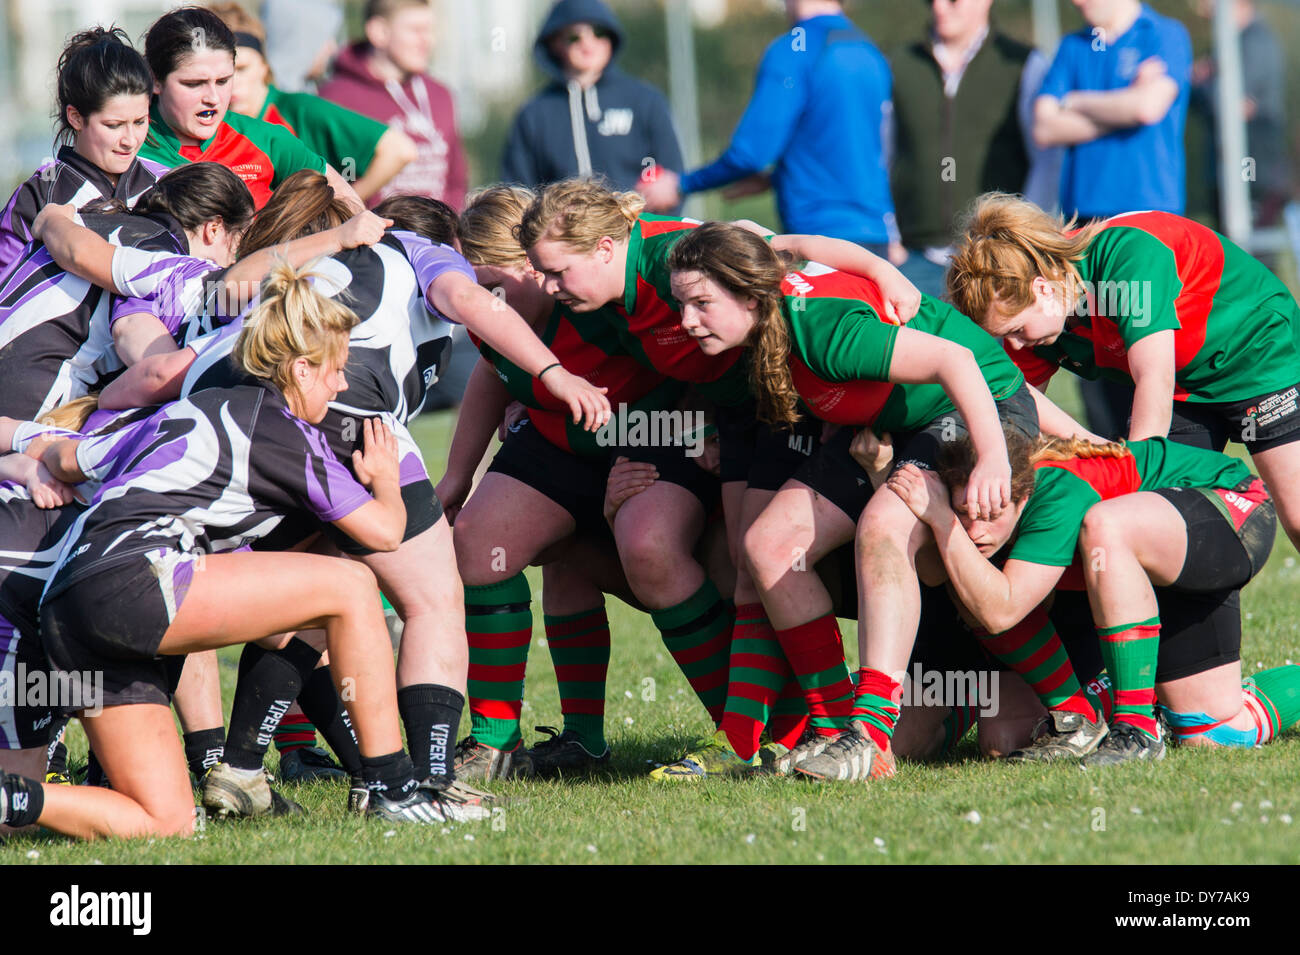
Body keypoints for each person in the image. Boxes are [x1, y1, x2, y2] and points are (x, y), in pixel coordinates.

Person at [0, 262, 475, 838]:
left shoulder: (186, 408)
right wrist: (385, 481)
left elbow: (67, 458)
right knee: (350, 586)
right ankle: (392, 787)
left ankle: (13, 800)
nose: (343, 385)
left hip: (69, 609)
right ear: (300, 368)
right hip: (132, 583)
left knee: (166, 823)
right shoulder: (282, 430)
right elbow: (383, 535)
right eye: (336, 370)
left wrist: (36, 464)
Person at [649, 221, 1030, 780]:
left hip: (975, 410)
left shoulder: (820, 328)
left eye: (702, 303)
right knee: (768, 545)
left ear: (750, 294)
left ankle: (870, 736)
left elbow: (957, 363)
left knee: (882, 524)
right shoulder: (765, 286)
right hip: (898, 423)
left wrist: (994, 457)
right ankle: (830, 731)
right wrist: (878, 271)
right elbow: (783, 238)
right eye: (682, 304)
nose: (686, 321)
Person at [440, 185, 680, 778]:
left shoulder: (602, 297)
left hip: (654, 447)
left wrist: (665, 442)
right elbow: (495, 372)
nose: (481, 300)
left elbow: (692, 368)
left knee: (663, 559)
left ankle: (749, 731)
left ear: (535, 260)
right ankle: (498, 742)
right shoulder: (493, 307)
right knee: (479, 542)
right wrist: (457, 475)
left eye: (493, 284)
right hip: (559, 445)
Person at [888, 428, 1300, 766]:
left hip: (1227, 505)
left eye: (991, 514)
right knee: (1006, 739)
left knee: (1214, 733)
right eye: (965, 514)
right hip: (1116, 581)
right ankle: (1083, 714)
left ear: (1024, 497)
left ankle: (1136, 728)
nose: (976, 529)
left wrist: (943, 520)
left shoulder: (1055, 492)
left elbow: (1001, 611)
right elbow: (938, 575)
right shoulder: (980, 514)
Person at [947, 192, 1300, 556]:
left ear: (1042, 288)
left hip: (1256, 356)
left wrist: (1131, 474)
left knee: (1297, 516)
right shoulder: (1039, 318)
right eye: (1005, 336)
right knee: (1168, 519)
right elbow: (1019, 402)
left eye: (1017, 331)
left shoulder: (1126, 255)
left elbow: (1154, 377)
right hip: (1182, 386)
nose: (1016, 347)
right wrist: (1093, 446)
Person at [1032, 0, 1192, 439]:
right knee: (1096, 354)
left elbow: (1148, 109)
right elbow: (1044, 127)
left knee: (1150, 349)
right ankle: (1110, 465)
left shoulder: (1164, 34)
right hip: (1082, 231)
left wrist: (1076, 101)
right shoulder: (1071, 46)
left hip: (1149, 226)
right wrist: (1122, 105)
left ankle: (1157, 467)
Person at [0, 163, 255, 420]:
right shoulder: (160, 254)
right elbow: (138, 343)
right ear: (214, 229)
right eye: (238, 248)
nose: (231, 264)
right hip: (30, 394)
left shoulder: (93, 219)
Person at [636, 0, 895, 252]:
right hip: (876, 237)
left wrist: (681, 185)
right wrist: (779, 178)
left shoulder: (794, 49)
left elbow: (750, 155)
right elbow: (854, 149)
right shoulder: (870, 52)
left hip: (819, 240)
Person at [888, 0, 1055, 298]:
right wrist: (890, 235)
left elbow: (1046, 162)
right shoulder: (899, 64)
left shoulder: (1022, 63)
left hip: (996, 261)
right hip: (913, 260)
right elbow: (880, 156)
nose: (939, 8)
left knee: (988, 346)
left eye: (952, 1)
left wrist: (1022, 238)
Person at [136, 6, 360, 210]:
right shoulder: (127, 144)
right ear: (155, 80)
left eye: (223, 81)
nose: (213, 98)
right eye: (194, 84)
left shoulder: (265, 139)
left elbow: (350, 207)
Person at [0, 27, 168, 275]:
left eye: (140, 122)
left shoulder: (167, 183)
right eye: (114, 125)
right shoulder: (37, 196)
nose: (130, 140)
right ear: (76, 117)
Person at [212, 2, 417, 204]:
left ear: (264, 65)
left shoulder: (299, 109)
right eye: (221, 75)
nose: (232, 83)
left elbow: (398, 149)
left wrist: (345, 204)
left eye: (242, 69)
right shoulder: (206, 125)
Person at [501, 0, 684, 202]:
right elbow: (518, 191)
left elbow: (670, 179)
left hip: (635, 229)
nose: (587, 43)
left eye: (598, 32)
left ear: (611, 37)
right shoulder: (534, 115)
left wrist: (649, 224)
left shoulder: (645, 101)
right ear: (555, 43)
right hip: (561, 231)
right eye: (574, 36)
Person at [317, 0, 467, 210]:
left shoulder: (441, 95)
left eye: (429, 30)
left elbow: (456, 181)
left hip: (439, 238)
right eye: (416, 30)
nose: (428, 40)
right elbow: (326, 186)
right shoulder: (335, 98)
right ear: (379, 32)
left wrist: (452, 234)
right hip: (372, 238)